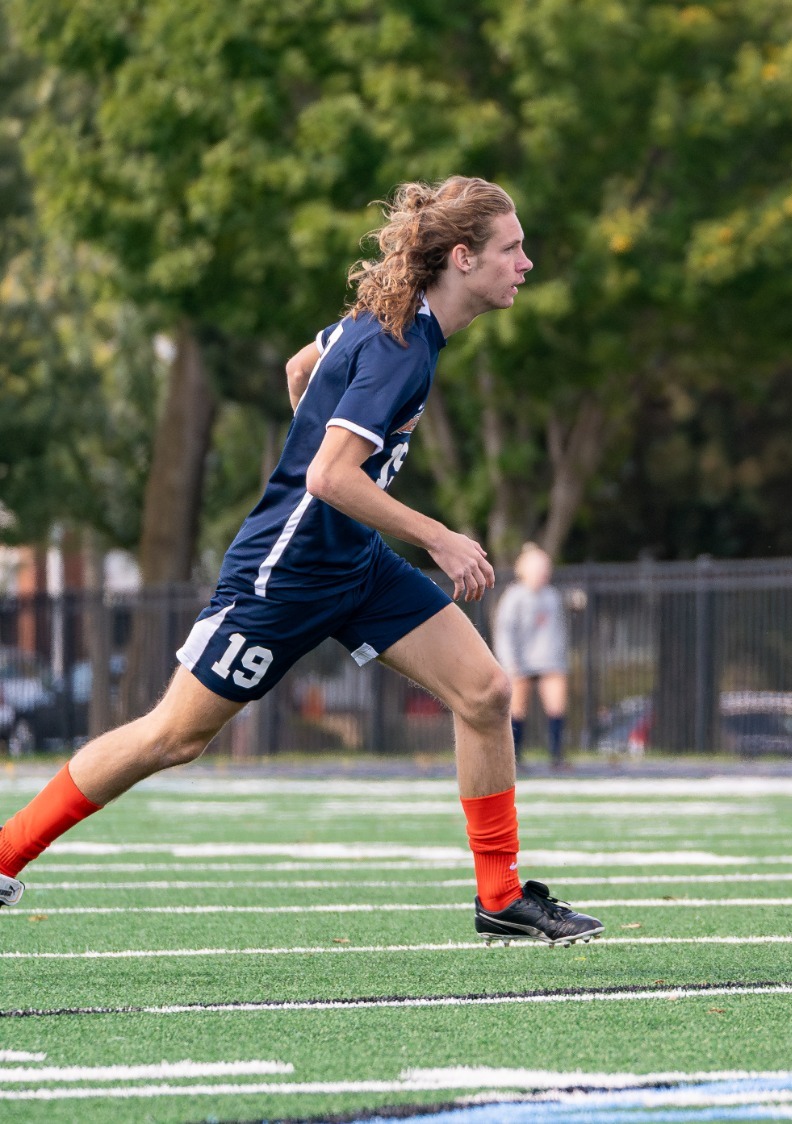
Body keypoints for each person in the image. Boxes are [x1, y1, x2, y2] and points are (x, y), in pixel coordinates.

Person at [0, 178, 601, 944]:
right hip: (284, 572)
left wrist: (324, 439)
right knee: (174, 737)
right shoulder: (401, 348)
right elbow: (327, 477)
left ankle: (500, 896)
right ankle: (5, 851)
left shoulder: (390, 320)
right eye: (512, 249)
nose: (526, 263)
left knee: (484, 693)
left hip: (352, 558)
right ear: (462, 258)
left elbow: (298, 368)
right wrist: (439, 537)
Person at [493, 543, 570, 770]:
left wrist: (560, 660)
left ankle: (556, 755)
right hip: (520, 661)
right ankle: (515, 757)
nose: (542, 572)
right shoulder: (514, 597)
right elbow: (504, 631)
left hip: (549, 660)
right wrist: (509, 662)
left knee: (557, 706)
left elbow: (558, 631)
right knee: (517, 708)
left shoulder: (552, 596)